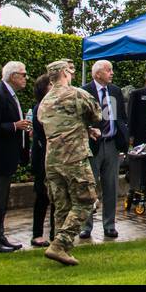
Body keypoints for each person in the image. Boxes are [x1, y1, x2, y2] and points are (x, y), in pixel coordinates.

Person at [39, 60, 102, 267]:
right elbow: (97, 114)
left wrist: (82, 127)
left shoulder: (45, 101)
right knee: (86, 201)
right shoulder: (76, 94)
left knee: (62, 206)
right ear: (65, 73)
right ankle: (60, 244)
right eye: (70, 71)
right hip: (74, 158)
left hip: (52, 160)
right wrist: (86, 126)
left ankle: (62, 250)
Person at [0, 61, 30, 253]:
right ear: (13, 76)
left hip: (7, 155)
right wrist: (14, 126)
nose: (26, 78)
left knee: (2, 199)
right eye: (23, 74)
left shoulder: (8, 94)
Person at [81, 60, 129, 239]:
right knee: (89, 186)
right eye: (108, 70)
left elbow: (121, 116)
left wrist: (124, 136)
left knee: (111, 186)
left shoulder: (115, 91)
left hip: (112, 144)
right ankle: (86, 226)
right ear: (97, 73)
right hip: (93, 145)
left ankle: (109, 225)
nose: (112, 73)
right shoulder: (85, 91)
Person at [30, 73, 54, 248]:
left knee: (57, 197)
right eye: (51, 84)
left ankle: (55, 233)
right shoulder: (40, 108)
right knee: (42, 196)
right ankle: (37, 234)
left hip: (56, 158)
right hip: (43, 159)